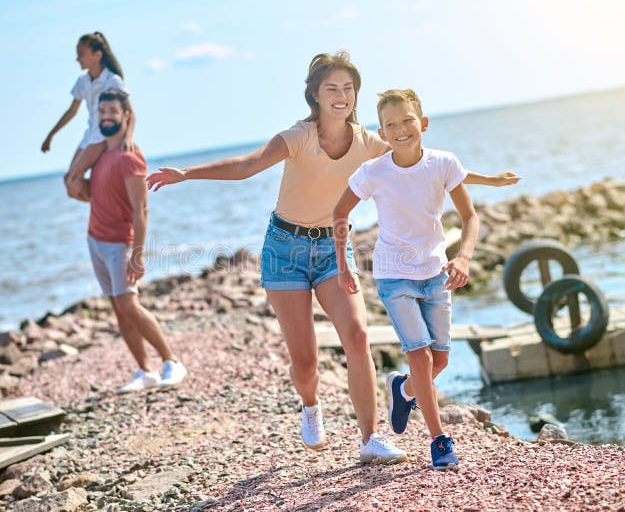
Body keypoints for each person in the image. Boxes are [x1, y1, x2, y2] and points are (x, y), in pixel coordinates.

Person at [147, 51, 515, 464]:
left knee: (357, 337)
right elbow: (247, 165)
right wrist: (186, 174)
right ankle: (310, 405)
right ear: (315, 95)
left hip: (330, 248)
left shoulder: (369, 142)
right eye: (331, 89)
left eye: (347, 88)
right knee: (305, 363)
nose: (341, 95)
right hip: (284, 249)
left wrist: (489, 180)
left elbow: (423, 164)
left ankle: (370, 439)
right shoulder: (298, 136)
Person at [333, 88, 481, 470]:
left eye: (407, 121)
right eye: (390, 124)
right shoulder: (373, 172)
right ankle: (439, 441)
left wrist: (462, 257)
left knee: (440, 361)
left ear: (423, 124)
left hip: (435, 273)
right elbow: (339, 213)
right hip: (394, 276)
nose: (400, 129)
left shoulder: (443, 163)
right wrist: (343, 263)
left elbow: (469, 218)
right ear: (381, 133)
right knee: (420, 354)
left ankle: (403, 389)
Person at [87, 89, 186, 392]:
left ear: (126, 115)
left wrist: (138, 254)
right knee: (119, 308)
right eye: (102, 112)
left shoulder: (129, 157)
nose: (107, 116)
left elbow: (141, 208)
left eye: (113, 112)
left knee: (129, 304)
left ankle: (172, 361)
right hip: (95, 241)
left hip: (120, 244)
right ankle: (145, 371)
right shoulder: (101, 154)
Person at [41, 32, 134, 202]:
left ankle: (109, 206)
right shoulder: (83, 81)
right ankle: (107, 204)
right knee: (69, 184)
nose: (77, 59)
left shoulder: (113, 80)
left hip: (102, 137)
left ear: (97, 55)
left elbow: (130, 113)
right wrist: (50, 136)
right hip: (88, 136)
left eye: (81, 54)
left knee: (73, 180)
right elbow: (71, 111)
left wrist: (127, 138)